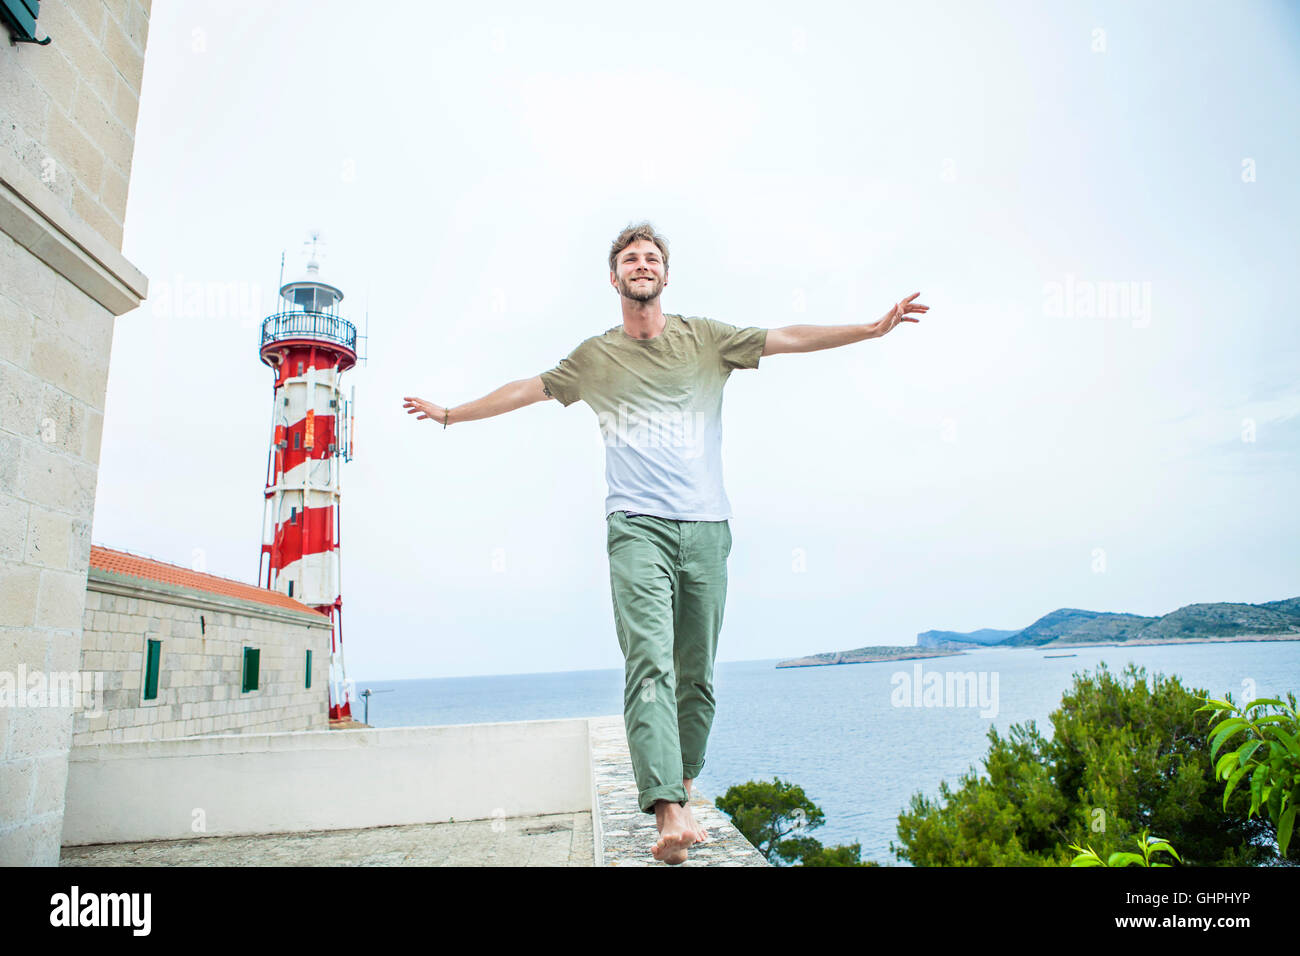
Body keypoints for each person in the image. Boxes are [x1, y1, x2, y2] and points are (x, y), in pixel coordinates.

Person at [403, 221, 927, 864]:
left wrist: (870, 329)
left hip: (708, 526)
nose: (642, 265)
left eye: (652, 257)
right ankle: (667, 811)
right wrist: (453, 413)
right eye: (630, 258)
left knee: (697, 675)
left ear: (666, 274)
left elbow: (786, 337)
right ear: (615, 277)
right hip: (635, 525)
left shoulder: (706, 338)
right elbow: (529, 389)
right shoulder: (595, 356)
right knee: (648, 660)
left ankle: (680, 781)